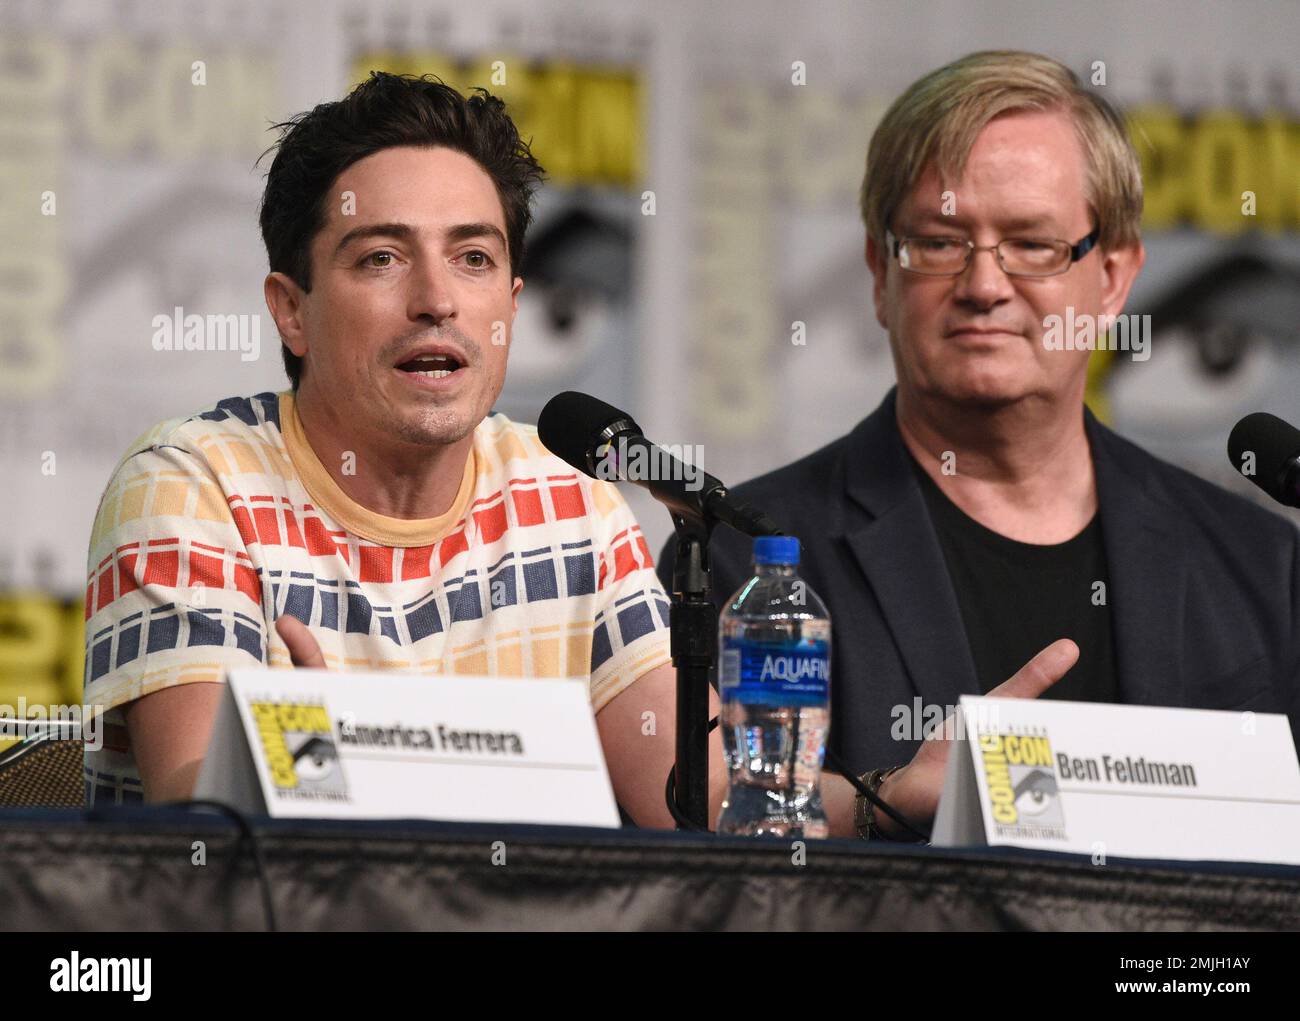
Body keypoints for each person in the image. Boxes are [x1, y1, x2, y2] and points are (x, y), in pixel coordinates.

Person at [659, 50, 1300, 839]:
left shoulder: (1264, 566)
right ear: (877, 271)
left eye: (1032, 243)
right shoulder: (747, 552)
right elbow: (702, 833)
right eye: (938, 241)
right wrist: (882, 800)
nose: (985, 284)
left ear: (1114, 276)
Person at [83, 73, 727, 827]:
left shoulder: (570, 500)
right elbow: (203, 826)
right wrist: (311, 764)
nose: (437, 299)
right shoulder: (193, 486)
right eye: (382, 258)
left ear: (511, 308)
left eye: (474, 259)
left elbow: (712, 806)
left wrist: (884, 798)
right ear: (292, 312)